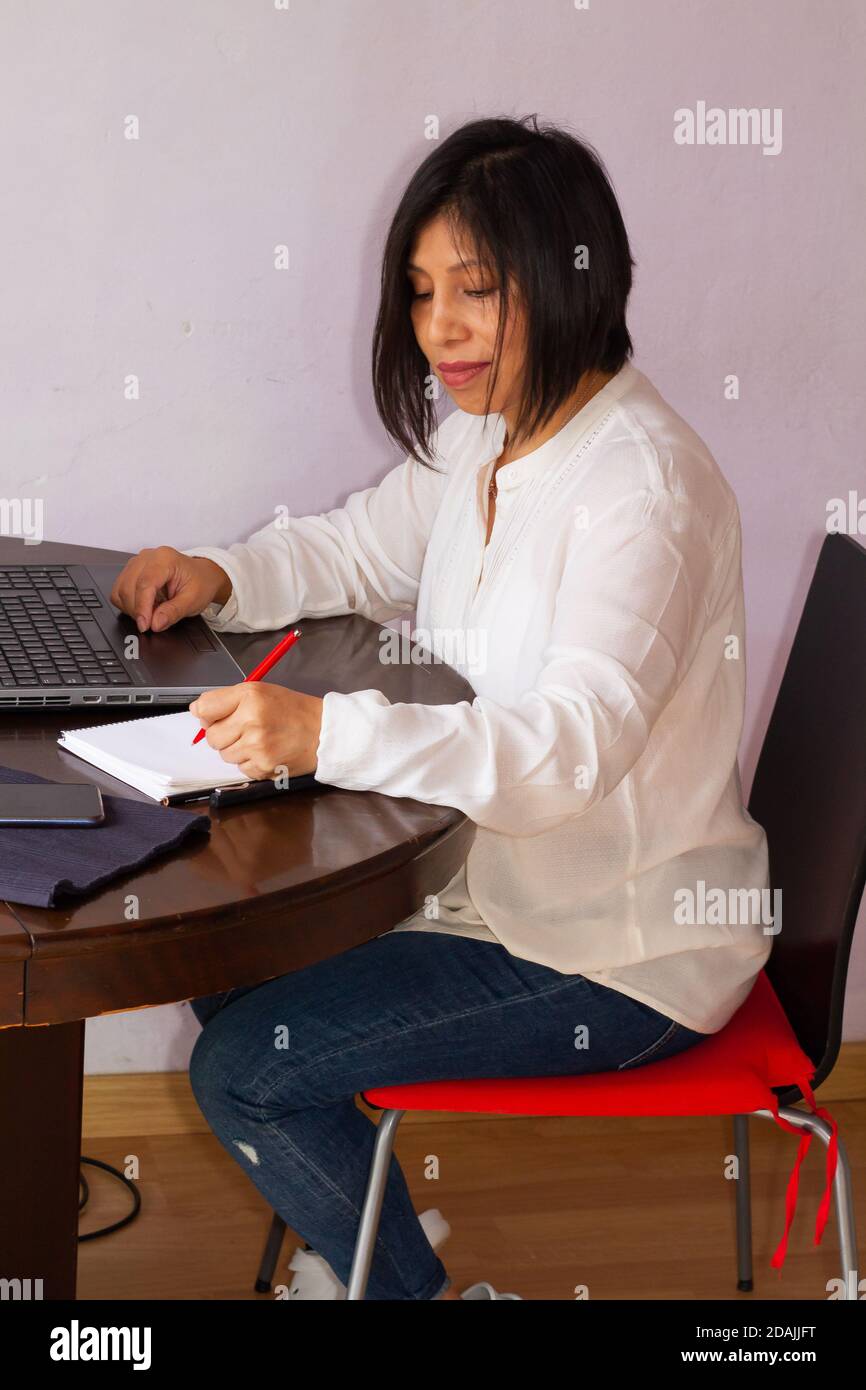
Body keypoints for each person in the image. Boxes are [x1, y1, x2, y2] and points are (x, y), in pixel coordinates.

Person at [110, 114, 772, 1301]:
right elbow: (362, 545)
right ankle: (369, 1246)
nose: (439, 330)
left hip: (612, 948)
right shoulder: (493, 431)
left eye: (475, 290)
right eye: (420, 293)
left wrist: (332, 732)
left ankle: (407, 1289)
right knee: (238, 971)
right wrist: (223, 572)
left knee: (240, 1067)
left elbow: (568, 751)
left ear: (577, 278)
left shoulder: (642, 492)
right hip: (489, 893)